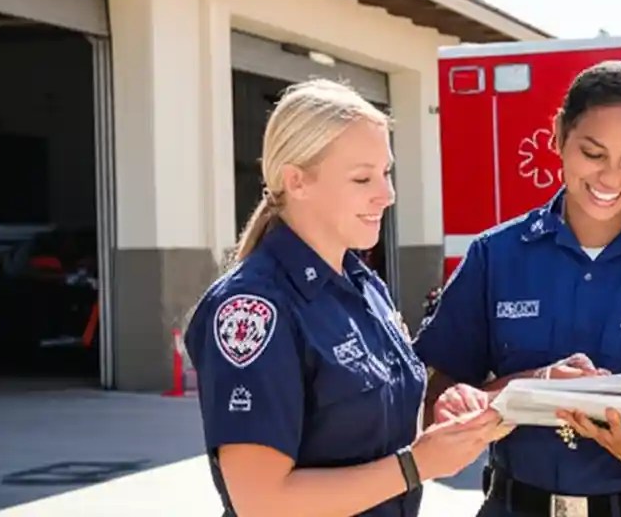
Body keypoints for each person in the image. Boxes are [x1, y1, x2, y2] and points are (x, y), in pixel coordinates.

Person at [414, 60, 621, 517]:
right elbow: (439, 398)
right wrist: (522, 388)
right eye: (593, 153)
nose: (609, 177)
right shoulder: (495, 256)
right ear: (560, 134)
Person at [184, 78, 505, 517]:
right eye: (362, 178)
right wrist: (416, 465)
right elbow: (261, 501)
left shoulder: (363, 285)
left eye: (386, 172)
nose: (387, 194)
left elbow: (370, 428)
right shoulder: (255, 307)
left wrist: (439, 417)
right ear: (297, 181)